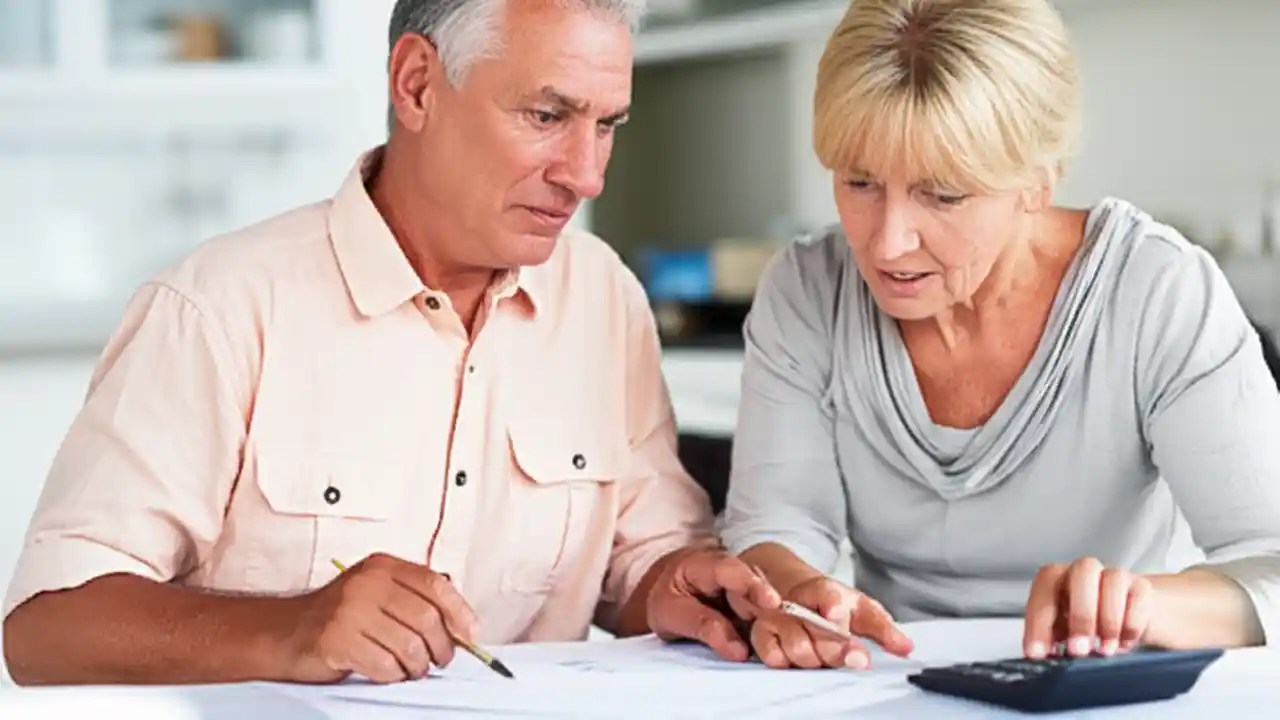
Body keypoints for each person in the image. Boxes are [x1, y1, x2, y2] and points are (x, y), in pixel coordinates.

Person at [2, 0, 779, 687]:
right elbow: (45, 631)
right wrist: (293, 628)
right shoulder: (218, 308)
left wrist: (682, 586)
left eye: (606, 125)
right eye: (547, 116)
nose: (587, 175)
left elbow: (640, 561)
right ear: (415, 85)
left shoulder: (603, 296)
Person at [722, 0, 1280, 672]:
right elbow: (774, 531)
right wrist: (800, 592)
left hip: (1098, 685)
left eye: (944, 195)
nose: (889, 243)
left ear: (1037, 182)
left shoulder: (1157, 291)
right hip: (883, 684)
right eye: (860, 182)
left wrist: (1145, 606)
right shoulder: (808, 290)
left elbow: (1271, 555)